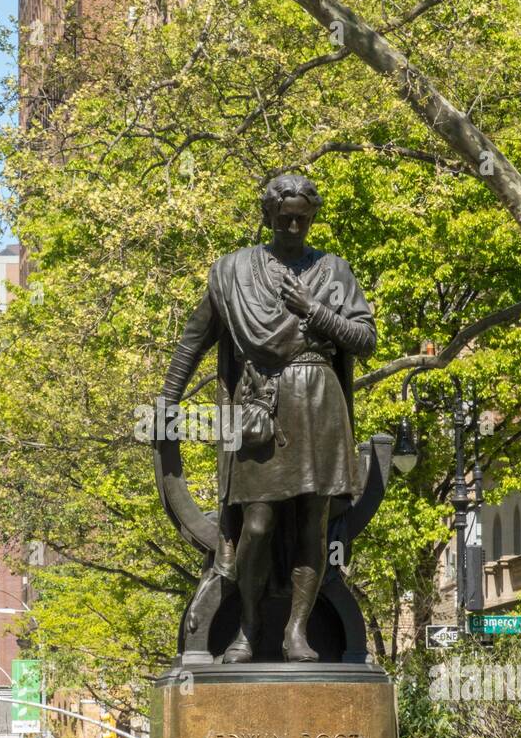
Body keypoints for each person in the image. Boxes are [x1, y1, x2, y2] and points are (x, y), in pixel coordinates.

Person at [161, 173, 376, 662]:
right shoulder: (233, 272)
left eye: (303, 217)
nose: (295, 225)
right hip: (262, 408)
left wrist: (314, 310)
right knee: (256, 524)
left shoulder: (333, 271)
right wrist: (167, 402)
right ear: (268, 216)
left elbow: (364, 340)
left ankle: (296, 630)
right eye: (285, 218)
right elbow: (195, 339)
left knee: (312, 526)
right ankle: (249, 624)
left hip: (320, 401)